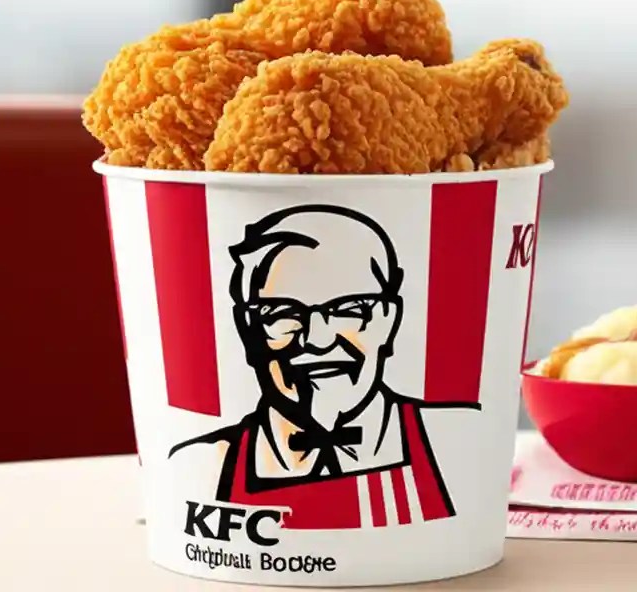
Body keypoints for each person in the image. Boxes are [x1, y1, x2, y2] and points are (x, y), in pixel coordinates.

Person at [169, 205, 462, 530]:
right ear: (247, 330)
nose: (318, 339)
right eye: (280, 312)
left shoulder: (457, 438)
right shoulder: (200, 464)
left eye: (351, 308)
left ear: (389, 321)